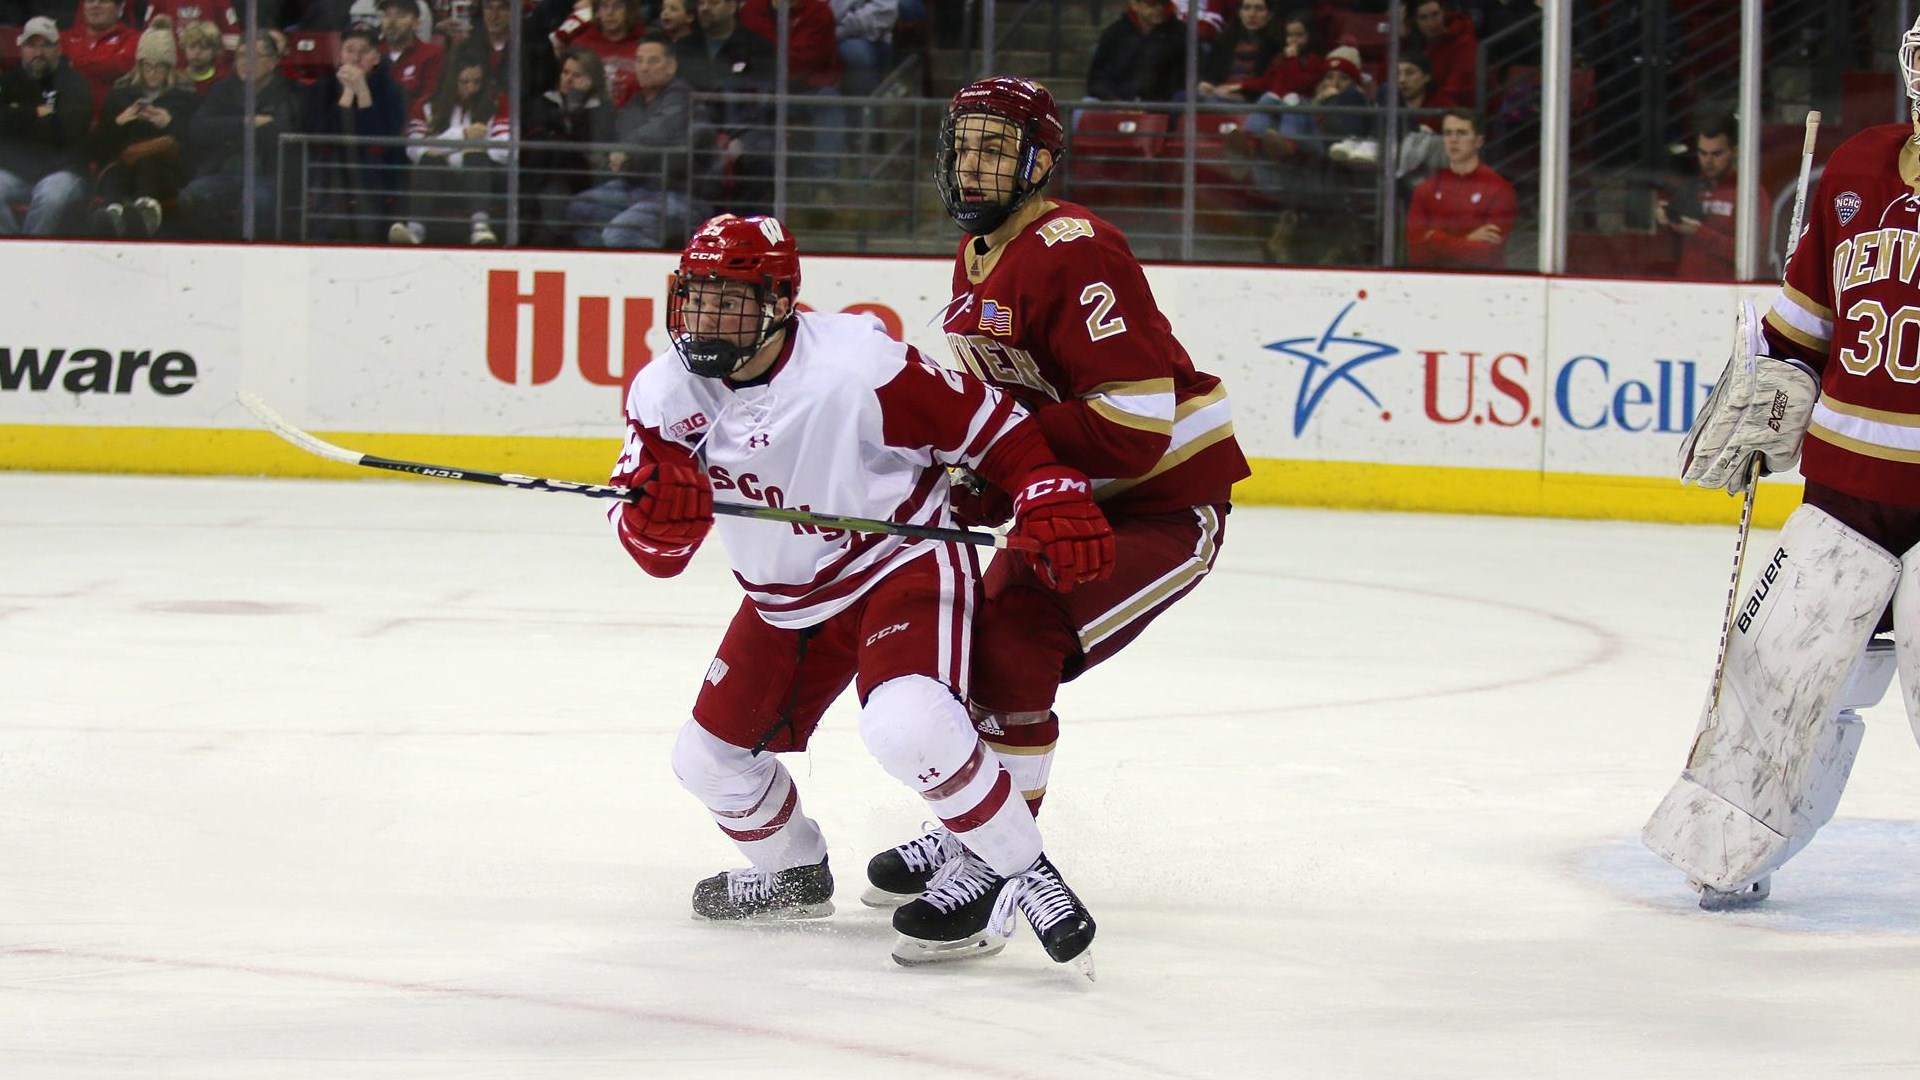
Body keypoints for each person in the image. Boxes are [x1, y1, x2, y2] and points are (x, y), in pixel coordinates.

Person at [615, 212, 1112, 969]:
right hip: (783, 599)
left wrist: (1048, 492)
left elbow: (993, 427)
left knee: (906, 725)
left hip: (897, 563)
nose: (710, 317)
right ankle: (791, 874)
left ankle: (1026, 871)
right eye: (699, 297)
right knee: (706, 762)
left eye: (734, 299)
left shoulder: (857, 367)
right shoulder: (664, 394)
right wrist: (663, 520)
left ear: (781, 302)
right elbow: (650, 551)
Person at [862, 78, 1250, 932]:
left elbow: (1134, 424)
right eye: (963, 145)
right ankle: (975, 820)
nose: (972, 163)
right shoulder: (974, 254)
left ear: (1040, 161)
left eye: (995, 147)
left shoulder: (1077, 247)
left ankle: (1002, 866)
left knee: (1015, 639)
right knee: (972, 631)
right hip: (1071, 499)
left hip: (1161, 508)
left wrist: (1000, 466)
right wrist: (965, 479)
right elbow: (1007, 414)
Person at [1641, 16, 1920, 912]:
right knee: (1779, 673)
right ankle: (1733, 844)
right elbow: (1803, 329)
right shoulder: (1858, 166)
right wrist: (1769, 389)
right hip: (1843, 494)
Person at [564, 35, 697, 248]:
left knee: (618, 235)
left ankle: (666, 273)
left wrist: (626, 151)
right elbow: (618, 142)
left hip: (675, 193)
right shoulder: (633, 105)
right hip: (634, 187)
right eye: (639, 60)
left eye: (652, 61)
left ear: (671, 66)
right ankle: (610, 272)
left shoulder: (681, 96)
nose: (644, 67)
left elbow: (660, 131)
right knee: (579, 208)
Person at [179, 31, 300, 238]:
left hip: (269, 174)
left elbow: (282, 133)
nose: (246, 62)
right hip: (227, 171)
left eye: (254, 56)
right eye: (242, 55)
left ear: (272, 62)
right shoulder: (223, 89)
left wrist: (227, 130)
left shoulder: (289, 92)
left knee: (256, 199)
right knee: (192, 194)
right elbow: (198, 129)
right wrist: (246, 122)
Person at [89, 16, 200, 237]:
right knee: (114, 173)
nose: (153, 72)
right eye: (147, 65)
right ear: (139, 65)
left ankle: (146, 212)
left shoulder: (186, 98)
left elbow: (196, 145)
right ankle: (112, 215)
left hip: (164, 170)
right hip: (123, 165)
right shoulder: (120, 96)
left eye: (160, 67)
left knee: (148, 165)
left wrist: (170, 123)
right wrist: (118, 123)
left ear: (170, 68)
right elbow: (100, 150)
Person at [392, 51, 509, 244]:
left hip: (485, 176)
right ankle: (415, 230)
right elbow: (415, 148)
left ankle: (481, 227)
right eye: (464, 82)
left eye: (477, 82)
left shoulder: (498, 102)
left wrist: (449, 149)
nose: (471, 88)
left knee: (475, 157)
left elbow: (506, 149)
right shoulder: (428, 104)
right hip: (442, 177)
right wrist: (463, 136)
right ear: (451, 80)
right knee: (430, 160)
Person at [0, 17, 92, 237]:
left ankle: (32, 254)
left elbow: (70, 129)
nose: (38, 52)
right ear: (21, 48)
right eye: (32, 45)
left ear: (58, 48)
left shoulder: (74, 83)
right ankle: (11, 248)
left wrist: (16, 116)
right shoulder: (8, 81)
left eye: (46, 45)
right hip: (16, 172)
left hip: (62, 172)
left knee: (51, 195)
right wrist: (34, 114)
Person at [1657, 115, 1768, 282]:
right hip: (1685, 288)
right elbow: (1671, 250)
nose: (1708, 161)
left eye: (1717, 154)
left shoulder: (1750, 193)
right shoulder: (1691, 188)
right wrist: (1668, 221)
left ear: (1735, 151)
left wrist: (1698, 232)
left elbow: (1754, 255)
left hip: (1729, 291)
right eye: (1702, 153)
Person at [520, 47, 615, 243]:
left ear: (592, 80)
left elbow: (588, 143)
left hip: (581, 178)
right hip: (542, 176)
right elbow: (536, 136)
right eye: (565, 72)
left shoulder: (603, 109)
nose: (568, 79)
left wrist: (575, 103)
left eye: (577, 75)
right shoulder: (545, 102)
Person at [1405, 108, 1514, 269]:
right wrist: (1467, 241)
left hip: (1483, 285)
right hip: (1433, 283)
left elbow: (1485, 255)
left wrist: (1434, 237)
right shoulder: (1425, 190)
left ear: (1478, 141)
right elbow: (1416, 254)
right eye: (1448, 133)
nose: (1453, 140)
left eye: (1461, 133)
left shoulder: (1499, 190)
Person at [1084, 0, 1183, 103]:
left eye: (1163, 4)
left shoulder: (1180, 33)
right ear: (1134, 4)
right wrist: (1115, 101)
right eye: (1152, 5)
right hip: (1116, 102)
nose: (1159, 9)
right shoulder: (1114, 34)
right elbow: (1097, 80)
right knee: (1087, 104)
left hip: (1164, 105)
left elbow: (1185, 79)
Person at [1192, 0, 1281, 103]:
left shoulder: (1276, 44)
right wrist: (1206, 83)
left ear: (1269, 14)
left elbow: (1269, 81)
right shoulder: (1226, 40)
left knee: (1213, 101)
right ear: (1239, 12)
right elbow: (1210, 72)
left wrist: (1238, 87)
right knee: (1186, 96)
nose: (1252, 14)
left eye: (1259, 9)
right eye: (1246, 8)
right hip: (1220, 91)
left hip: (1250, 96)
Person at [60, 0, 140, 113]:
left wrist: (74, 64)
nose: (95, 5)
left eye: (103, 1)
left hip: (112, 116)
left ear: (119, 8)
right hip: (68, 115)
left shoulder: (132, 38)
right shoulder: (65, 37)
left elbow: (119, 67)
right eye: (90, 1)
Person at [378, 0, 447, 105]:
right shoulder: (372, 52)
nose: (392, 22)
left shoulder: (432, 54)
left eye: (400, 16)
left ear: (416, 23)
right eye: (387, 15)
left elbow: (429, 97)